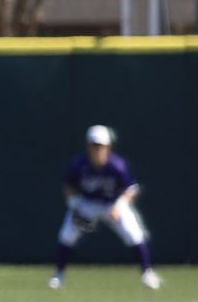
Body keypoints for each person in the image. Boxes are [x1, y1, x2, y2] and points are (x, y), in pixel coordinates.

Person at [52, 124, 160, 291]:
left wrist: (120, 205)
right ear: (88, 146)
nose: (97, 150)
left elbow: (131, 189)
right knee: (67, 234)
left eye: (101, 146)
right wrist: (76, 207)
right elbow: (68, 188)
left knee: (134, 233)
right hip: (87, 203)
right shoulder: (78, 164)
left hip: (112, 203)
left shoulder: (117, 165)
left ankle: (147, 273)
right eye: (94, 145)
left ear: (108, 147)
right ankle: (58, 276)